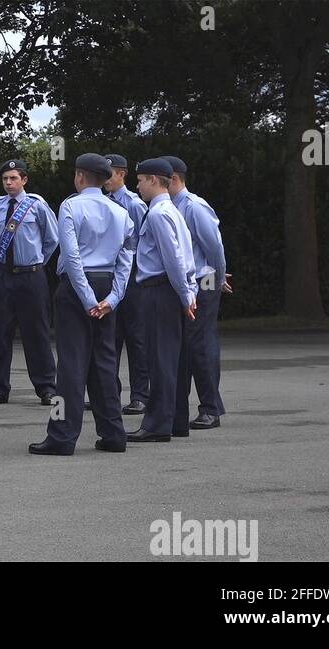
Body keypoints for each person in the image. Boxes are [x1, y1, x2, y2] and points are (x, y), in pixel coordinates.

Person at [29, 154, 134, 455]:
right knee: (104, 362)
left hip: (78, 287)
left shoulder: (70, 206)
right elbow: (127, 257)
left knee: (72, 364)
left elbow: (72, 256)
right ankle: (114, 433)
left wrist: (87, 298)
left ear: (79, 176)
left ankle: (62, 435)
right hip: (108, 283)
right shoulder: (119, 211)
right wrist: (113, 298)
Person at [126, 158, 197, 443]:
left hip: (159, 290)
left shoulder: (157, 214)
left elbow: (173, 259)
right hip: (172, 290)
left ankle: (157, 424)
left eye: (141, 179)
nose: (138, 185)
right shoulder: (173, 210)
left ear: (154, 180)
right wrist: (188, 292)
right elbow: (185, 255)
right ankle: (176, 420)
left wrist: (184, 293)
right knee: (175, 359)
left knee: (160, 359)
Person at [0, 159, 59, 406]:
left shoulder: (36, 205)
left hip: (31, 276)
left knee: (36, 333)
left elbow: (52, 239)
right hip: (5, 276)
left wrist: (36, 263)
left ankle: (46, 387)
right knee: (2, 333)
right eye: (5, 178)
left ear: (24, 180)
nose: (8, 183)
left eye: (13, 178)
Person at [163, 155, 230, 429]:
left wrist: (218, 275)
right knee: (188, 346)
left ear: (174, 179)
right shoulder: (172, 206)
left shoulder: (193, 207)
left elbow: (214, 247)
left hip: (204, 282)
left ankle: (211, 408)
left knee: (200, 345)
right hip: (191, 283)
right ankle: (186, 407)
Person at [103, 154, 150, 415]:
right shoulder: (105, 202)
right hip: (111, 276)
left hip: (132, 278)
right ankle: (109, 391)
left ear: (122, 174)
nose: (105, 180)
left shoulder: (134, 204)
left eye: (109, 175)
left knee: (136, 338)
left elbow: (144, 244)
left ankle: (141, 395)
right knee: (111, 337)